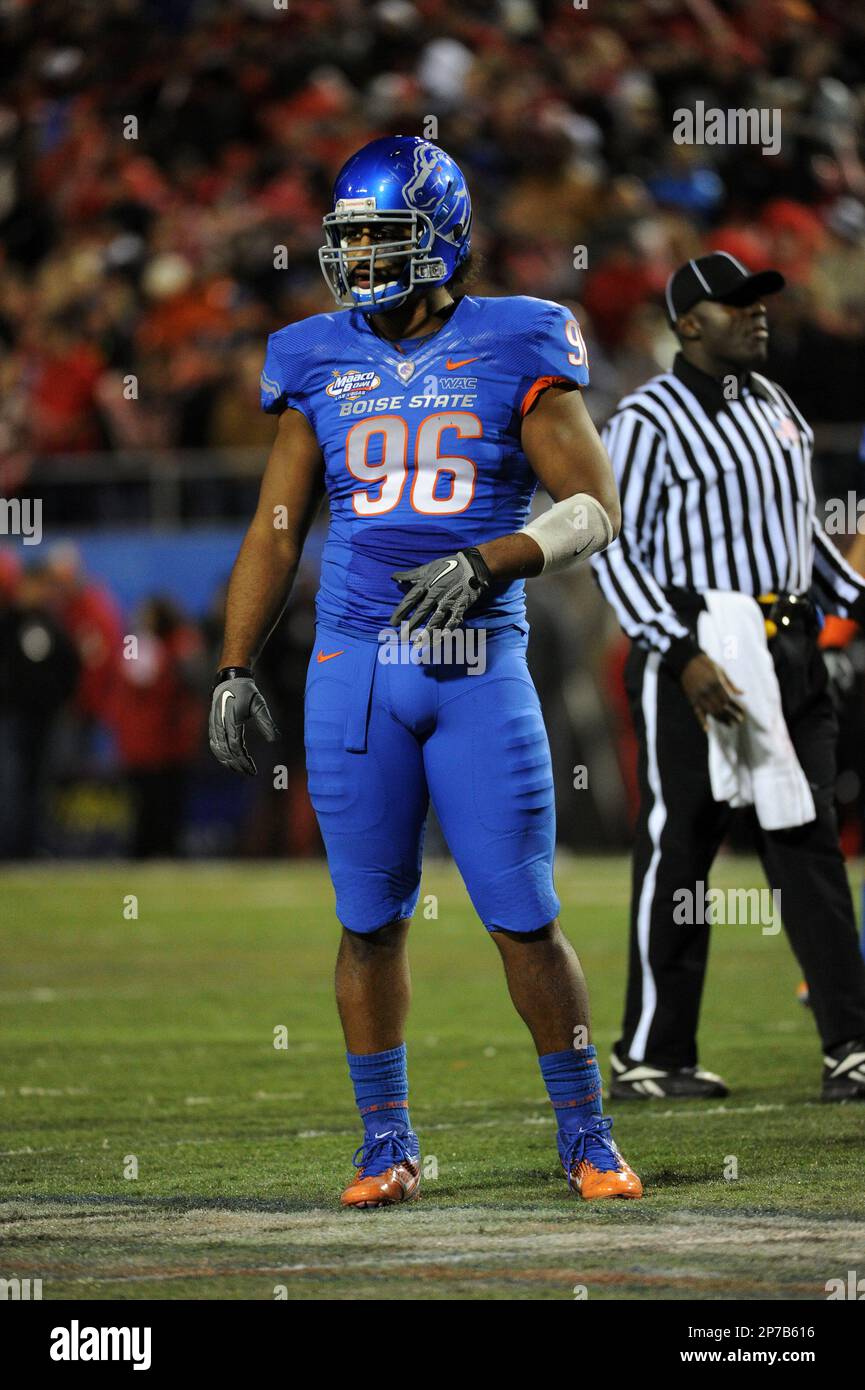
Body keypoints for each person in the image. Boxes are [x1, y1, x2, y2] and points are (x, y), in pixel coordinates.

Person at [209, 135, 642, 1206]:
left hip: (473, 666)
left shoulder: (516, 337)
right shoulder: (315, 357)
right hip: (356, 666)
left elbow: (595, 506)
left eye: (379, 236)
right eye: (347, 238)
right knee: (367, 918)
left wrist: (493, 556)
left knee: (520, 910)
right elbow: (275, 527)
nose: (356, 258)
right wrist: (232, 664)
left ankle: (586, 1133)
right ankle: (385, 1143)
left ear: (440, 238)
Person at [592, 251, 865, 1102]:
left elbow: (804, 543)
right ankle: (651, 1053)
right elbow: (613, 544)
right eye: (734, 303)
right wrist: (679, 653)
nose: (756, 314)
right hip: (700, 642)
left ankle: (850, 1046)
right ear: (686, 324)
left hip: (789, 643)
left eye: (758, 301)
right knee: (681, 848)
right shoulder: (645, 419)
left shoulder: (776, 405)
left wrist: (856, 603)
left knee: (807, 841)